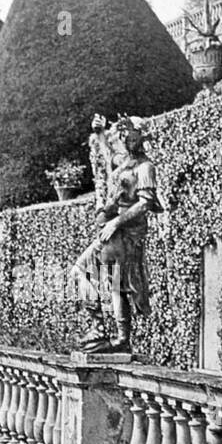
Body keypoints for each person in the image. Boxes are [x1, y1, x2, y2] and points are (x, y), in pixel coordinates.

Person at [71, 114, 163, 354]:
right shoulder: (125, 163)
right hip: (114, 229)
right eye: (122, 136)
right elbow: (108, 159)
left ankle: (104, 331)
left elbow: (145, 203)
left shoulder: (146, 167)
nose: (124, 140)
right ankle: (117, 337)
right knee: (115, 284)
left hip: (127, 232)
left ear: (138, 138)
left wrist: (116, 223)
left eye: (128, 136)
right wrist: (100, 134)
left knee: (88, 272)